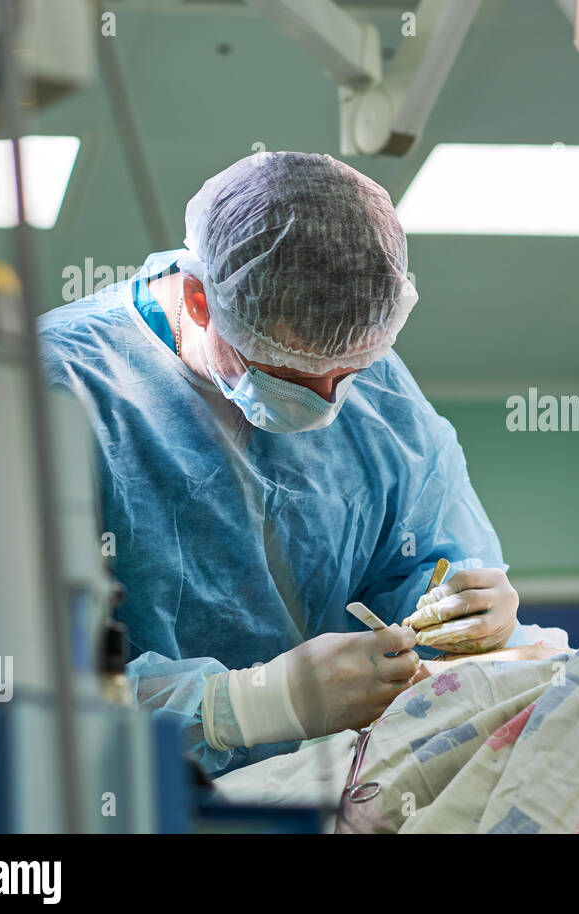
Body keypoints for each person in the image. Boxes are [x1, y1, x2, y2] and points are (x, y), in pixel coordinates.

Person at [41, 152, 524, 775]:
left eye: (348, 373)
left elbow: (421, 555)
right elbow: (8, 669)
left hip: (307, 793)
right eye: (288, 373)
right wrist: (238, 706)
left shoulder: (366, 375)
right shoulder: (55, 389)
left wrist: (460, 609)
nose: (326, 402)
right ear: (198, 300)